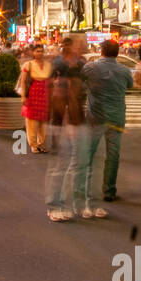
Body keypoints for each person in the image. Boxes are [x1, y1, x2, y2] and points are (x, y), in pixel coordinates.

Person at [82, 40, 133, 206]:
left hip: (95, 116)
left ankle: (84, 188)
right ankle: (109, 190)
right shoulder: (125, 71)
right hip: (116, 117)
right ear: (117, 53)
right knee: (113, 155)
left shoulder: (90, 68)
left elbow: (81, 84)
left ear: (101, 51)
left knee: (89, 152)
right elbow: (130, 86)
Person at [45, 37, 87, 221]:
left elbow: (80, 92)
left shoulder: (81, 64)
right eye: (80, 43)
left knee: (74, 163)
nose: (83, 45)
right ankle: (55, 205)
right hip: (60, 118)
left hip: (76, 118)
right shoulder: (60, 64)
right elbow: (51, 89)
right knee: (59, 164)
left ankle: (66, 203)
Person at [18, 43, 53, 153]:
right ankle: (33, 144)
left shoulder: (48, 65)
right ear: (33, 53)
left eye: (41, 51)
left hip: (45, 94)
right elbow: (23, 81)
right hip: (33, 94)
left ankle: (41, 143)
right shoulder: (28, 65)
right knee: (32, 121)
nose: (40, 53)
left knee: (43, 121)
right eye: (37, 51)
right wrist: (23, 96)